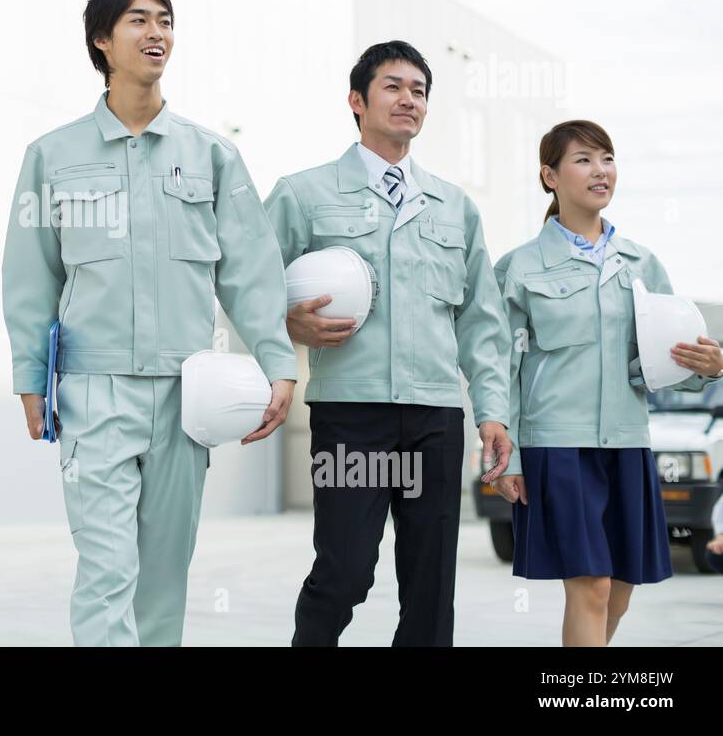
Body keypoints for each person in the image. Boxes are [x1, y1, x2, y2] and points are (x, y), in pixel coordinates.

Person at [0, 0, 297, 646]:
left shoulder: (213, 155)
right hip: (90, 393)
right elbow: (29, 277)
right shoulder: (53, 156)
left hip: (185, 394)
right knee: (106, 569)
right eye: (138, 20)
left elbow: (250, 270)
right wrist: (28, 380)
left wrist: (278, 362)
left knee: (163, 580)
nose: (156, 31)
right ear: (102, 41)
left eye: (165, 19)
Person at [264, 40, 513, 646]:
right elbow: (247, 285)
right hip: (352, 413)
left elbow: (482, 320)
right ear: (357, 100)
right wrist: (286, 323)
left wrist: (493, 413)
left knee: (431, 587)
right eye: (393, 87)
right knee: (345, 572)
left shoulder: (455, 208)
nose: (409, 100)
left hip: (433, 414)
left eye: (420, 91)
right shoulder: (305, 193)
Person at [492, 119, 723, 646]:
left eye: (607, 158)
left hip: (626, 442)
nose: (600, 170)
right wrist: (506, 458)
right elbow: (499, 369)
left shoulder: (643, 266)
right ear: (549, 176)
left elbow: (664, 362)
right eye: (583, 159)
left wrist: (708, 366)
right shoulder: (521, 267)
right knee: (591, 585)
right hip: (557, 446)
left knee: (619, 588)